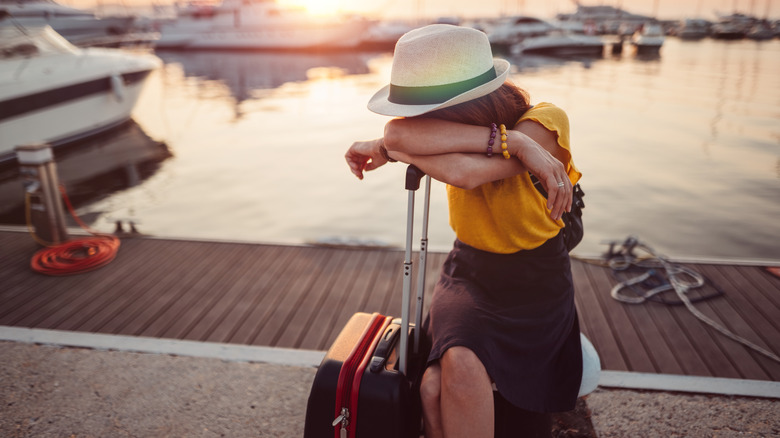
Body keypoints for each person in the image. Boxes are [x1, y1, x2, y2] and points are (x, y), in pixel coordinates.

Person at [345, 24, 583, 438]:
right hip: (469, 272)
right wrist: (515, 145)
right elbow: (397, 133)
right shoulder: (478, 136)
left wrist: (396, 150)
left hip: (535, 283)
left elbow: (464, 172)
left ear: (463, 106)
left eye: (427, 111)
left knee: (449, 380)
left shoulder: (545, 121)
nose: (418, 121)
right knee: (435, 384)